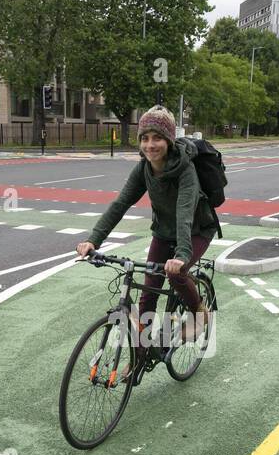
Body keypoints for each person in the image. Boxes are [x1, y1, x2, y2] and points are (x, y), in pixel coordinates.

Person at [76, 105, 220, 351]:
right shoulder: (143, 168)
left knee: (175, 274)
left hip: (196, 230)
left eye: (157, 138)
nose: (150, 145)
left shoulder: (186, 170)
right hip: (163, 232)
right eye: (145, 138)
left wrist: (182, 256)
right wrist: (94, 240)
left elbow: (184, 214)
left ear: (169, 141)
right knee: (149, 291)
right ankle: (140, 357)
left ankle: (199, 312)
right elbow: (121, 203)